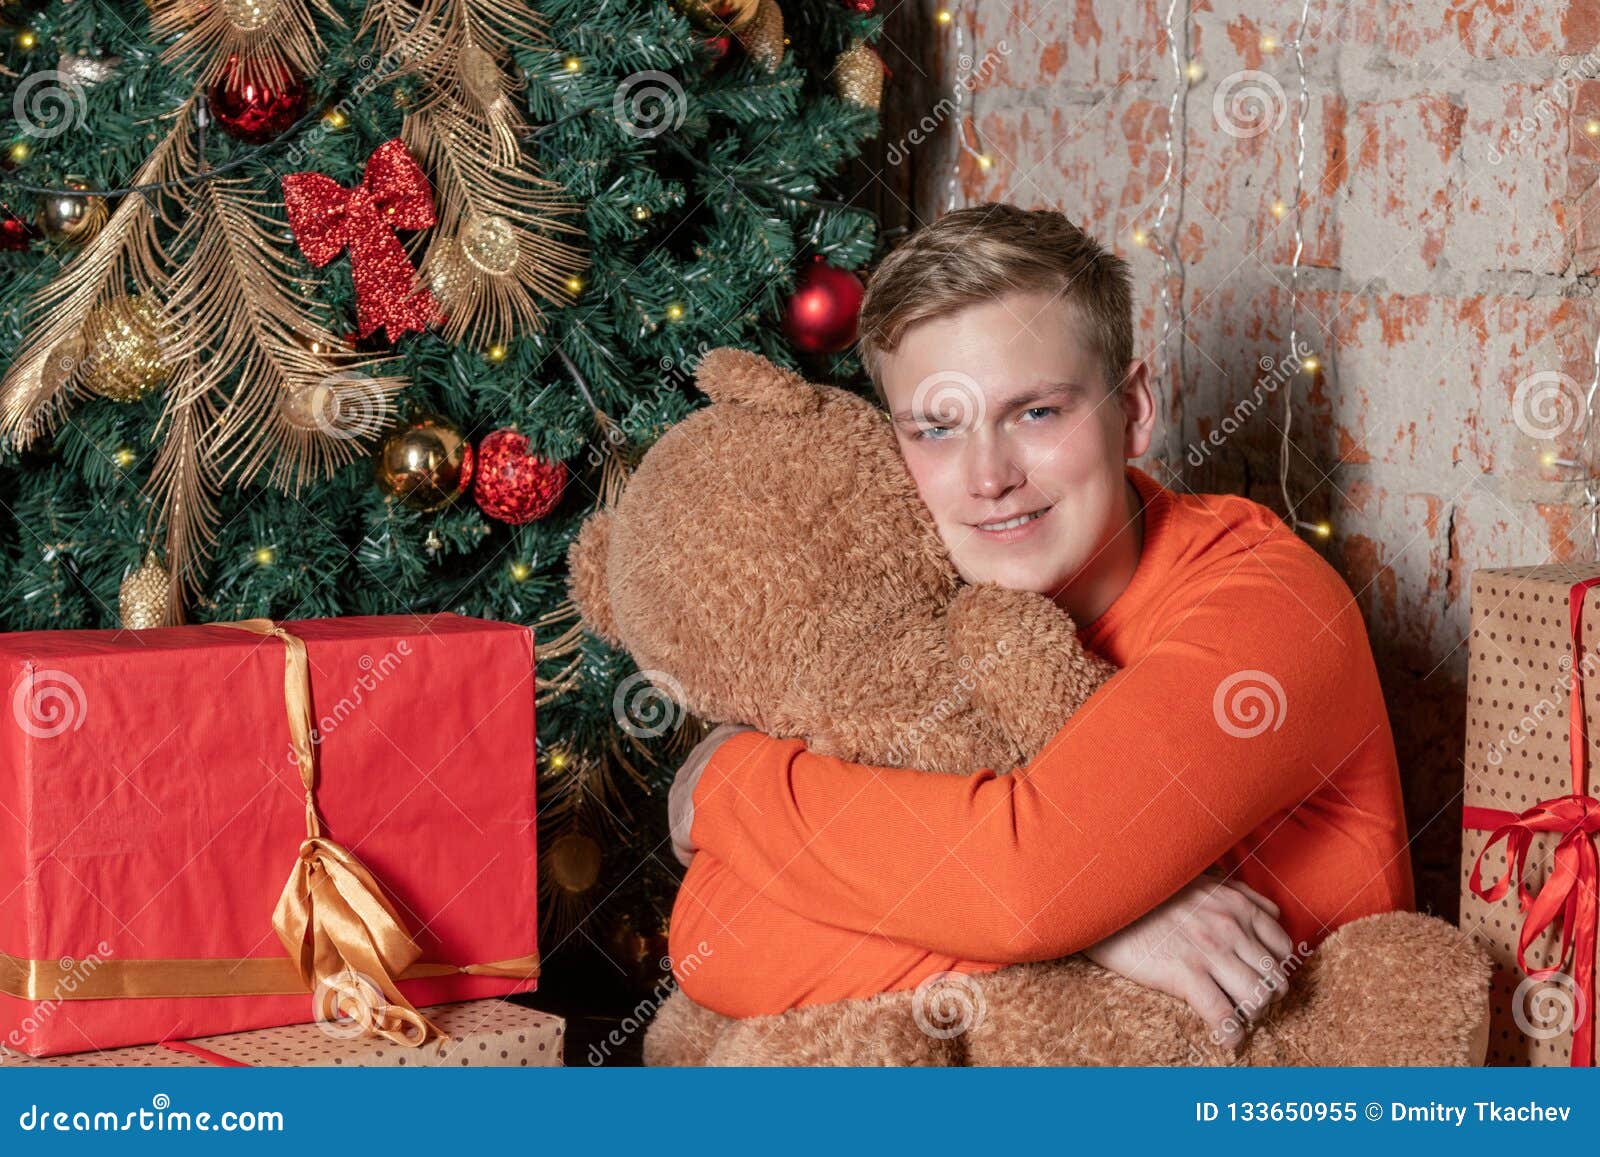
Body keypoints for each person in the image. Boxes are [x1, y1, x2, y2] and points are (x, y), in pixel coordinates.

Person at [666, 203, 1415, 1049]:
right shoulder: (925, 623)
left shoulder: (1272, 609)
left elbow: (1026, 880)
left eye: (1036, 414)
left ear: (1132, 411)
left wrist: (728, 782)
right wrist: (1101, 924)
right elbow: (717, 937)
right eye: (938, 429)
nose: (989, 478)